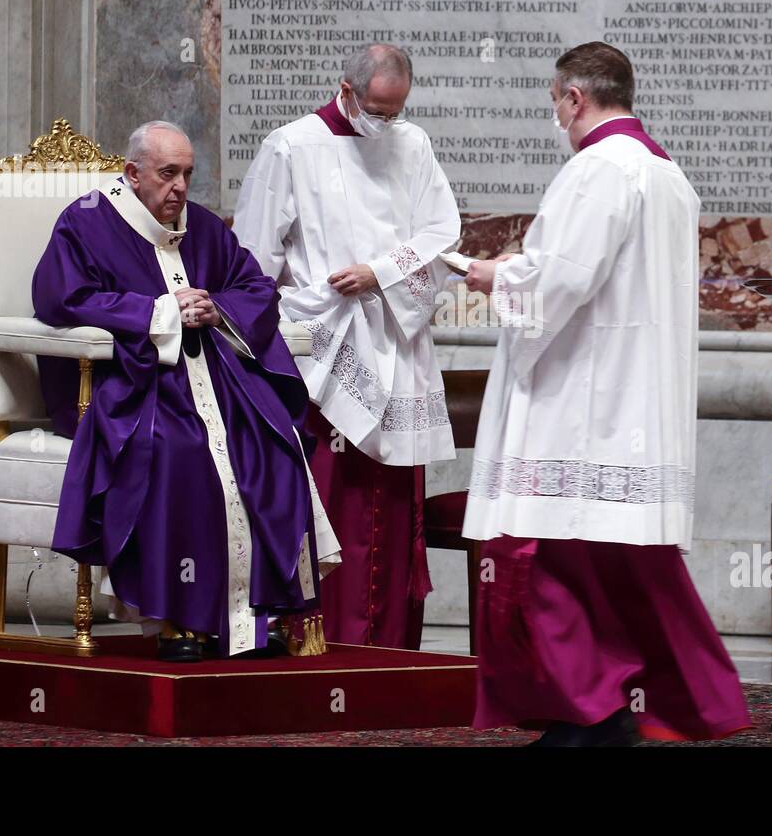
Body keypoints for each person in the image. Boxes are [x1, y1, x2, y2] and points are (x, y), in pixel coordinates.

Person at [461, 42, 751, 746]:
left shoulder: (596, 171)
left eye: (554, 103)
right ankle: (635, 707)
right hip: (636, 402)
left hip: (582, 404)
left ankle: (589, 714)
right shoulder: (667, 176)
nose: (555, 117)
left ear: (575, 100)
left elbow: (559, 284)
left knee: (551, 562)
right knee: (618, 567)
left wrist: (494, 276)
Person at [34, 120, 338, 663]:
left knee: (273, 442)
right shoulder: (85, 224)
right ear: (132, 173)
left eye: (187, 174)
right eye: (167, 174)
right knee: (182, 452)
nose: (179, 188)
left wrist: (215, 308)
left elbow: (253, 286)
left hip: (215, 382)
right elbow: (61, 298)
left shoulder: (200, 227)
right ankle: (179, 619)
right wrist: (157, 312)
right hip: (134, 381)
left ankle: (252, 614)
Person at [233, 44, 461, 649]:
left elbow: (443, 233)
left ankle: (388, 644)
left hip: (394, 331)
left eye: (396, 110)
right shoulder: (291, 146)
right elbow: (254, 257)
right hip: (320, 347)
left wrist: (380, 272)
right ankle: (314, 639)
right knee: (331, 498)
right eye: (377, 110)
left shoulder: (413, 145)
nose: (386, 123)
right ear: (347, 90)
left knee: (386, 503)